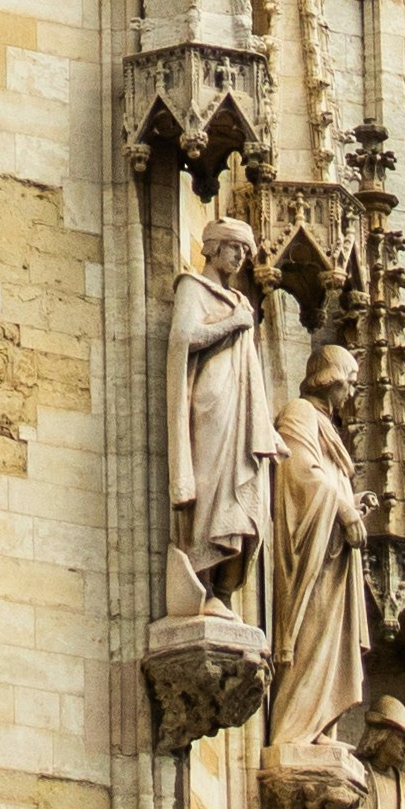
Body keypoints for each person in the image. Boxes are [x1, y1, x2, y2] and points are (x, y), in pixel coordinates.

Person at [268, 338, 373, 776]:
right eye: (348, 382)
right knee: (314, 634)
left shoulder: (326, 425)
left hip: (333, 556)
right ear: (328, 379)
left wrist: (353, 503)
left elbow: (324, 475)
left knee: (333, 641)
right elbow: (299, 472)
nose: (350, 392)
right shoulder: (300, 414)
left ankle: (320, 730)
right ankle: (294, 730)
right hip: (312, 557)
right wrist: (343, 508)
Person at [164, 211, 275, 610]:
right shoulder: (193, 287)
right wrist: (232, 324)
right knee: (211, 488)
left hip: (239, 407)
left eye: (246, 251)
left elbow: (251, 372)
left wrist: (265, 429)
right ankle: (202, 582)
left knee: (240, 494)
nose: (240, 257)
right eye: (234, 248)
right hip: (210, 402)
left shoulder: (241, 300)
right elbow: (184, 337)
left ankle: (224, 593)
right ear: (213, 248)